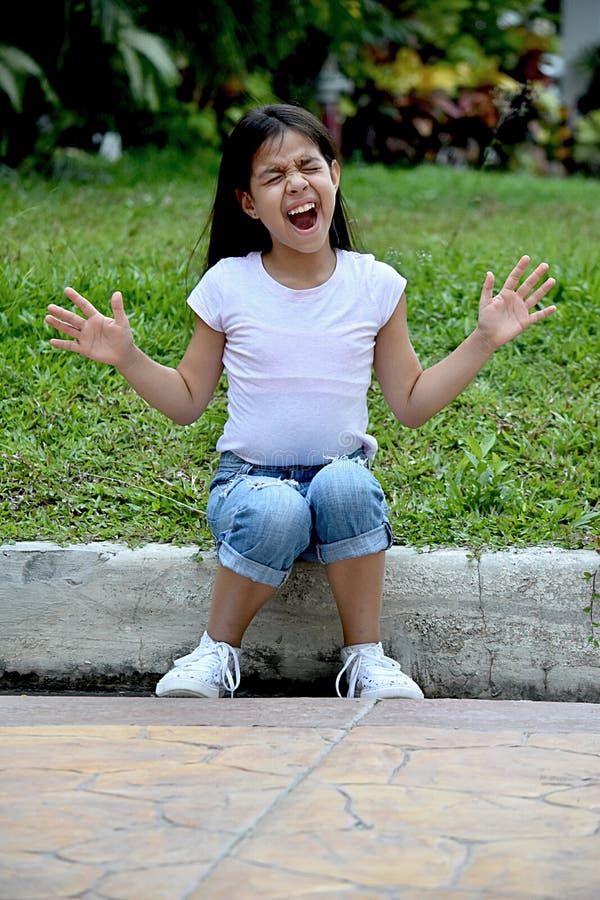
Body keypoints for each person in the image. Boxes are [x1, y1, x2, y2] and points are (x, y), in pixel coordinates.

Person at [45, 104, 556, 701]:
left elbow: (412, 403)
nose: (296, 184)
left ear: (334, 175)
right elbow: (187, 400)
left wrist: (483, 339)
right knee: (277, 510)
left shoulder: (375, 285)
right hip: (250, 488)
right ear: (247, 202)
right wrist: (129, 357)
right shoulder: (229, 285)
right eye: (272, 176)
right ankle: (215, 652)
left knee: (346, 485)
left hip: (341, 490)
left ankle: (366, 658)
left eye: (308, 166)